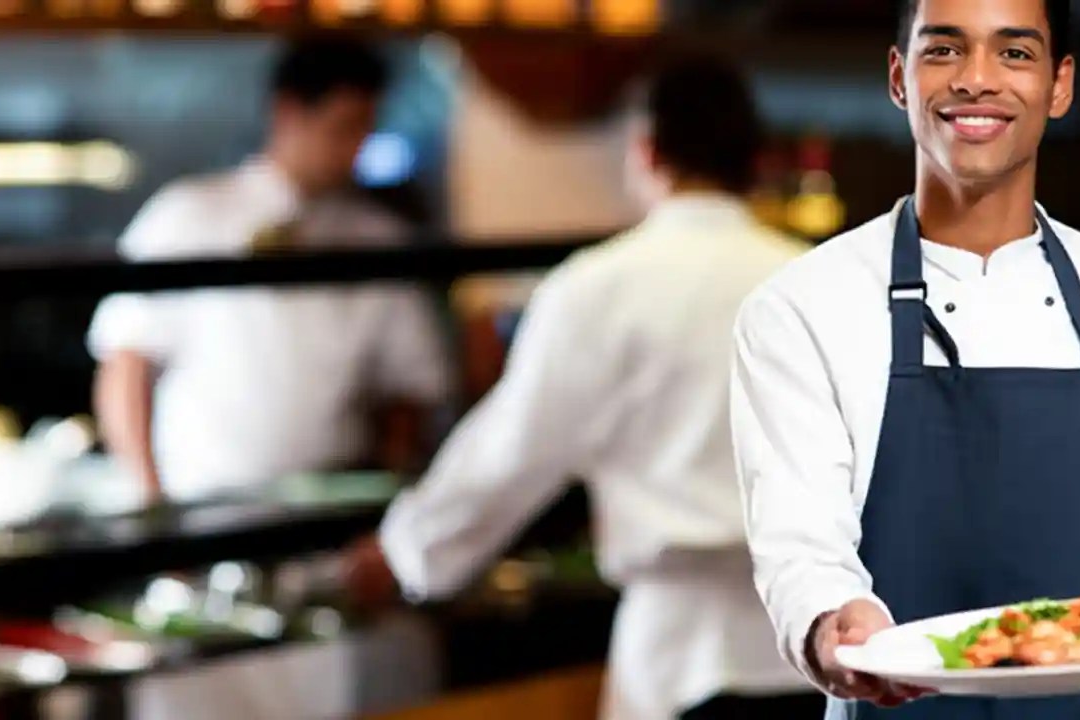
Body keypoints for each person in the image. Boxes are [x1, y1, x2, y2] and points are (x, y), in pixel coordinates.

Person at [346, 53, 824, 720]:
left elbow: (512, 450)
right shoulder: (815, 283)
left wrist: (407, 553)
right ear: (755, 161)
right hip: (818, 649)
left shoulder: (599, 286)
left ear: (646, 151)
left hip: (684, 657)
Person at [730, 0, 1080, 718]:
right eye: (944, 50)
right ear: (900, 78)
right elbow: (800, 546)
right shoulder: (800, 308)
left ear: (1060, 86)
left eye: (1015, 53)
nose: (977, 79)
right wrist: (832, 625)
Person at [87, 37, 451, 503]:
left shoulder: (379, 237)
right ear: (288, 112)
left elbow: (409, 391)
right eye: (343, 127)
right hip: (204, 510)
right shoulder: (188, 215)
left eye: (365, 129)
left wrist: (385, 503)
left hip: (332, 516)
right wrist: (151, 505)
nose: (354, 148)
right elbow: (126, 367)